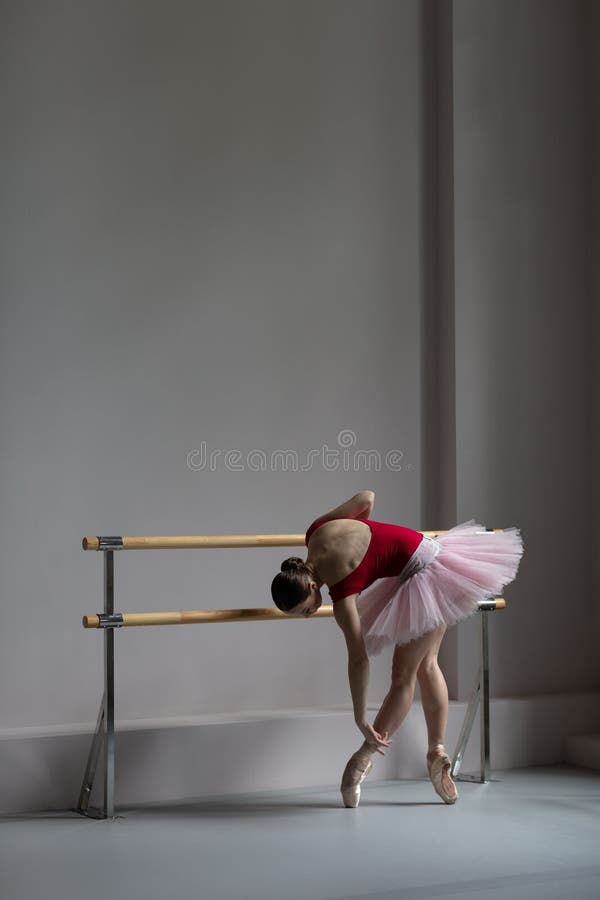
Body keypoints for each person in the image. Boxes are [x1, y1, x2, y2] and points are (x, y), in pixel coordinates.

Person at [270, 490, 524, 808]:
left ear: (311, 586)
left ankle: (361, 760)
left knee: (403, 674)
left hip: (428, 573)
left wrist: (361, 719)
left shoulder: (342, 592)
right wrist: (369, 544)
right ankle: (436, 753)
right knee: (427, 663)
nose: (309, 615)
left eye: (306, 610)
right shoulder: (315, 532)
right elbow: (366, 497)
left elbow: (359, 660)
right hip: (431, 554)